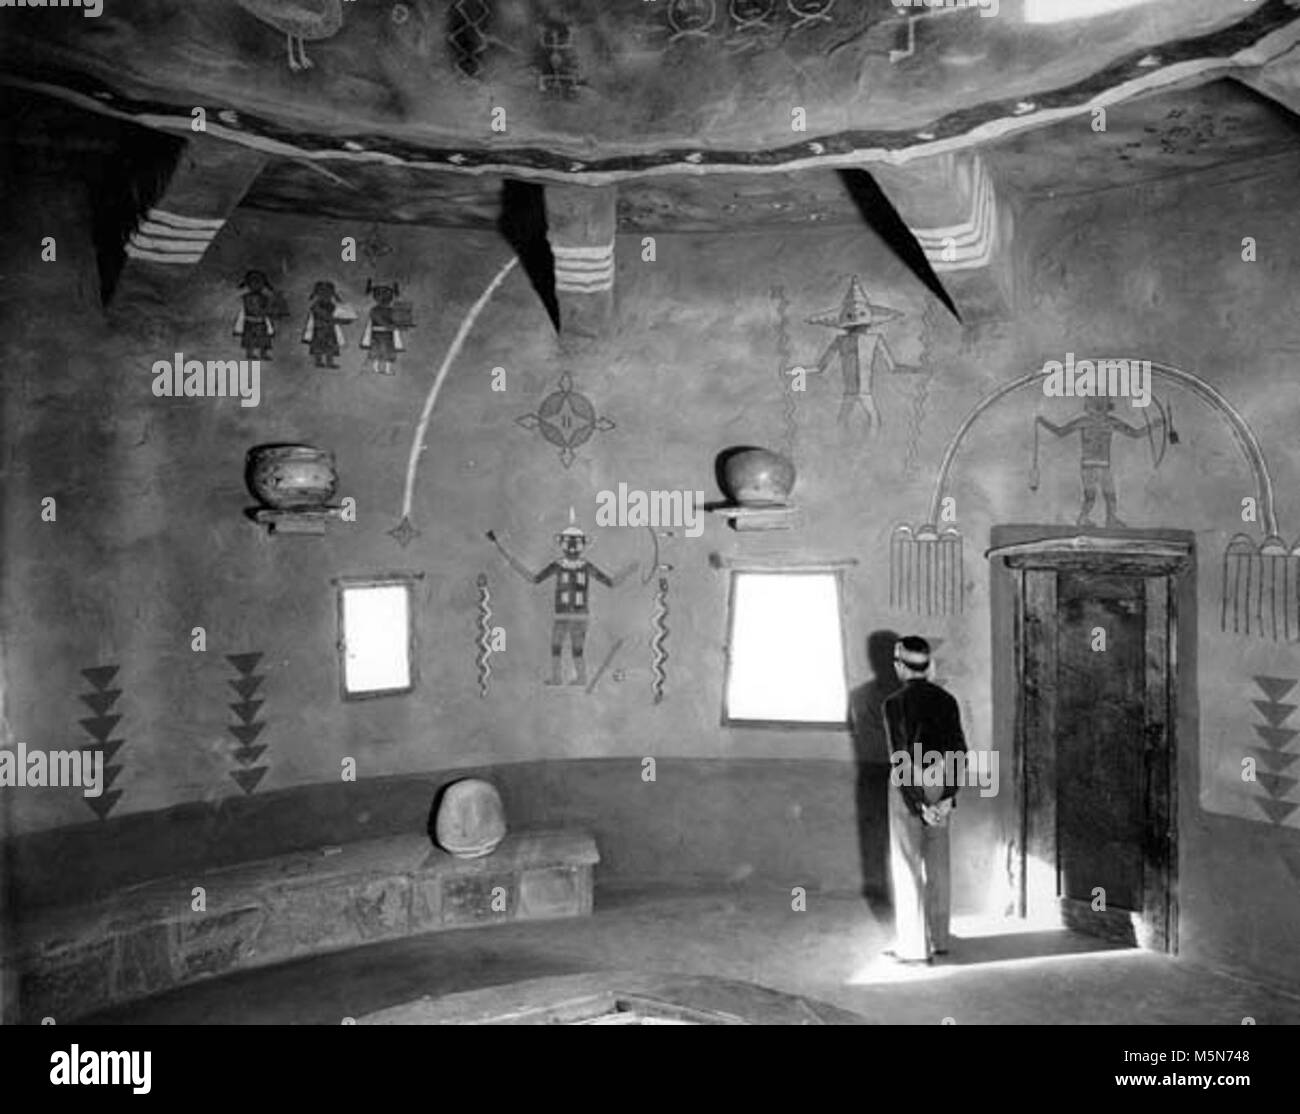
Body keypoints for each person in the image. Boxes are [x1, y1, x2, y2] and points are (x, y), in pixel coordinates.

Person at [881, 636, 967, 965]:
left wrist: (918, 803)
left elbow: (900, 757)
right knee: (938, 862)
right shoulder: (947, 699)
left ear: (900, 666)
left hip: (910, 781)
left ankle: (914, 947)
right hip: (942, 777)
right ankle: (940, 938)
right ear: (929, 666)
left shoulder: (893, 703)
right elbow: (960, 749)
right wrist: (947, 797)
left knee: (907, 863)